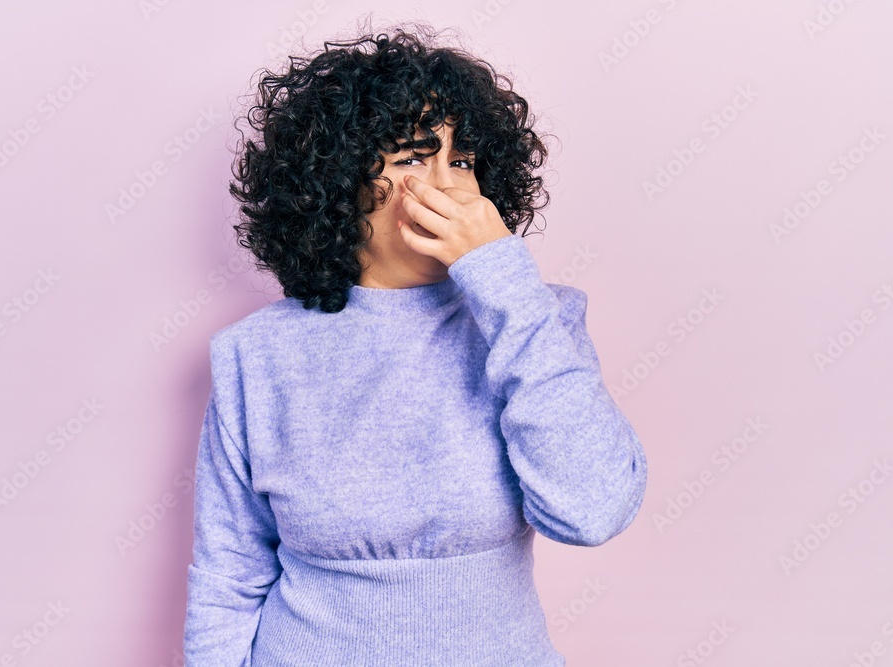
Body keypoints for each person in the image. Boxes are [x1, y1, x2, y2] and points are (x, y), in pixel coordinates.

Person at [183, 20, 648, 666]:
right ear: (340, 181)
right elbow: (228, 578)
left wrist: (504, 280)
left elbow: (594, 508)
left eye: (461, 160)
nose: (450, 183)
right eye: (413, 157)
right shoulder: (256, 357)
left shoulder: (535, 320)